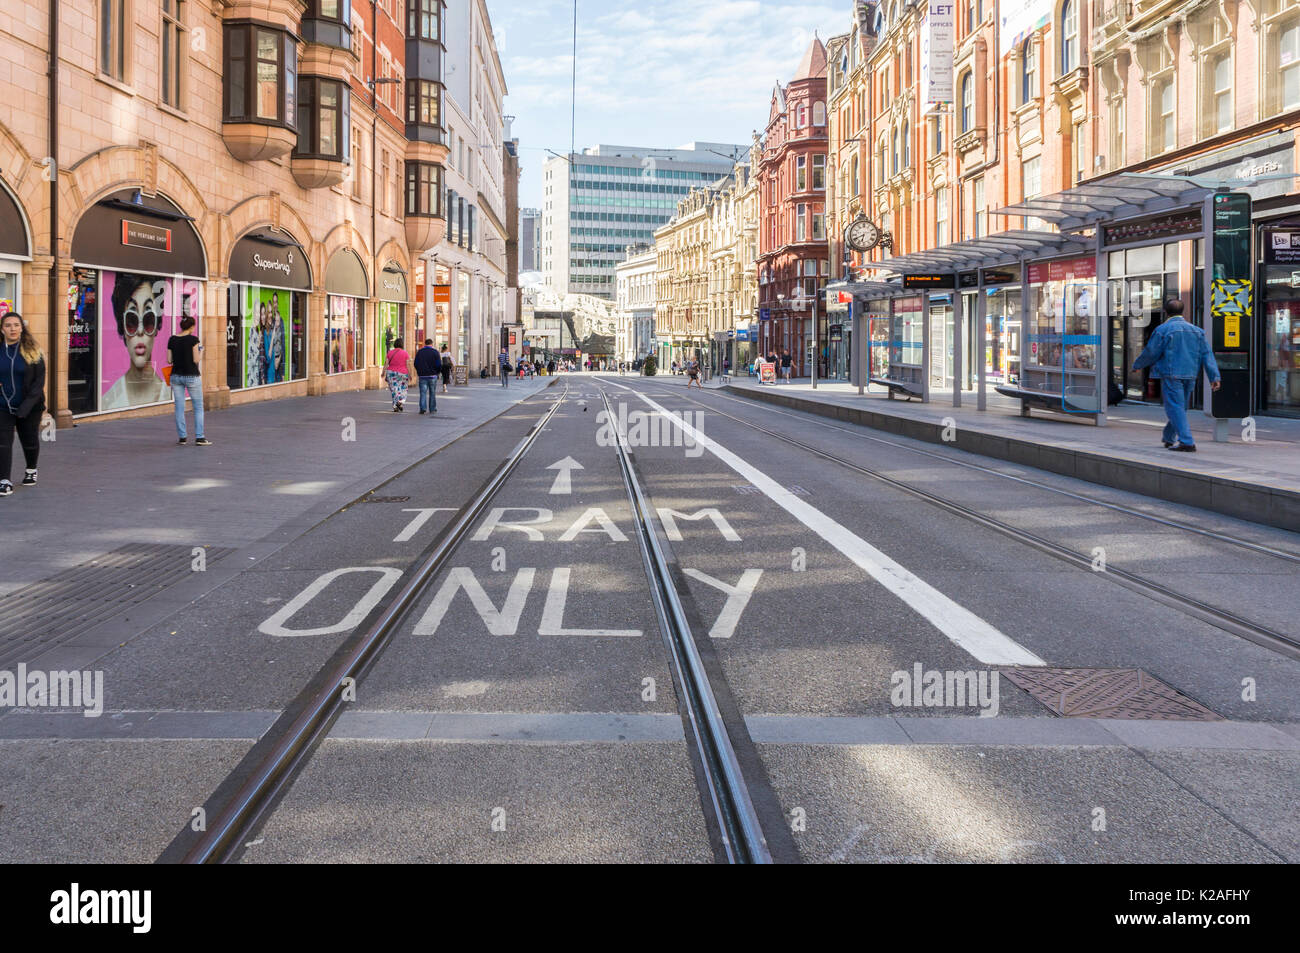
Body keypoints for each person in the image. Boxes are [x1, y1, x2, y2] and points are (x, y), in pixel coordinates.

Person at [1132, 297, 1221, 452]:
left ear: (1166, 312)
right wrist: (1214, 377)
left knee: (1175, 407)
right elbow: (1207, 354)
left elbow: (1151, 352)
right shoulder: (1197, 331)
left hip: (1171, 374)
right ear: (1182, 311)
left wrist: (1137, 365)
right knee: (1180, 407)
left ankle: (1187, 441)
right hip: (1191, 374)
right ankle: (1168, 437)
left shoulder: (1162, 330)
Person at [101, 274, 172, 409]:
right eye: (131, 322)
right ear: (122, 326)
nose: (140, 331)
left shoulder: (169, 395)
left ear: (157, 326)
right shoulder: (107, 403)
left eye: (148, 321)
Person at [0, 313, 45, 496]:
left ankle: (31, 469)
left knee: (29, 440)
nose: (12, 329)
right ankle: (4, 480)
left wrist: (25, 408)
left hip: (29, 406)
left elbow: (38, 383)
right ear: (2, 329)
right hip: (3, 405)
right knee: (3, 443)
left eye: (16, 325)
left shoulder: (33, 351)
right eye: (8, 325)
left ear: (21, 328)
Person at [167, 315, 209, 446]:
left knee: (179, 407)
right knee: (198, 407)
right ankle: (200, 437)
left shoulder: (172, 339)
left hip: (175, 376)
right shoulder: (193, 339)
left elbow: (169, 360)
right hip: (191, 376)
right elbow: (196, 360)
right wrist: (201, 351)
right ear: (192, 327)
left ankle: (182, 437)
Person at [413, 338, 441, 415]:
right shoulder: (435, 352)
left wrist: (419, 371)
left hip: (422, 376)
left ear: (425, 344)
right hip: (432, 376)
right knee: (432, 392)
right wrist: (437, 372)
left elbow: (415, 363)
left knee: (423, 393)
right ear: (432, 344)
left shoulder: (420, 352)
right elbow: (438, 364)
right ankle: (432, 408)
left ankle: (423, 408)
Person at [384, 337, 412, 412]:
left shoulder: (390, 352)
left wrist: (383, 372)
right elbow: (408, 365)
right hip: (403, 373)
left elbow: (386, 363)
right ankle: (400, 402)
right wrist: (410, 374)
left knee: (394, 389)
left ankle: (395, 406)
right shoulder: (405, 353)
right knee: (403, 389)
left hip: (391, 373)